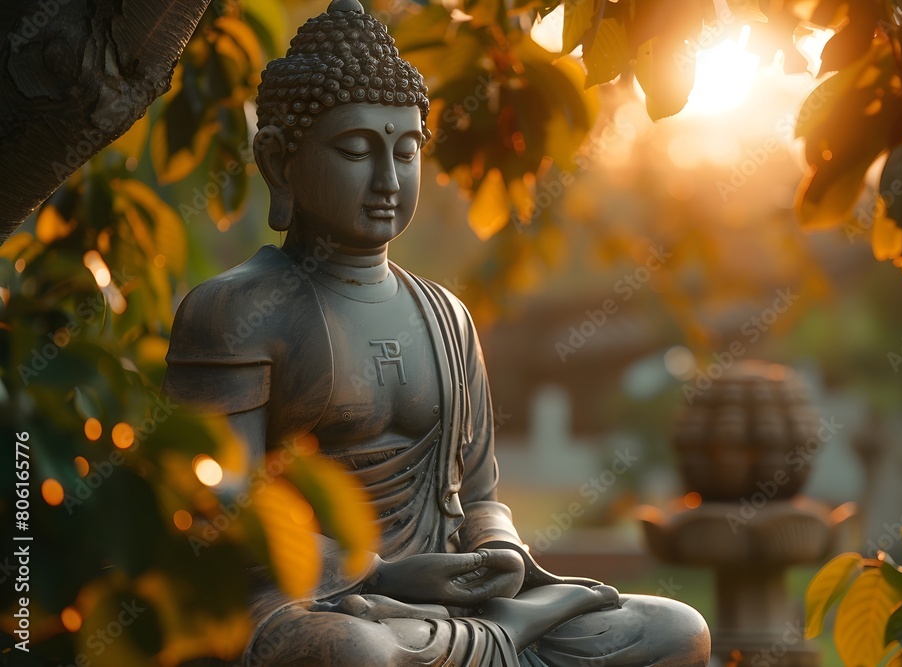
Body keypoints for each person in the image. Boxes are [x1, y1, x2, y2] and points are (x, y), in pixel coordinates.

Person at [162, 2, 710, 665]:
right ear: (280, 162)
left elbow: (476, 493)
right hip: (310, 603)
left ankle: (507, 628)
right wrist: (381, 575)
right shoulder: (236, 309)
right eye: (356, 150)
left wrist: (500, 552)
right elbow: (217, 510)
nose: (388, 181)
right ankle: (504, 634)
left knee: (674, 629)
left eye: (405, 150)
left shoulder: (446, 314)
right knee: (349, 653)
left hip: (442, 610)